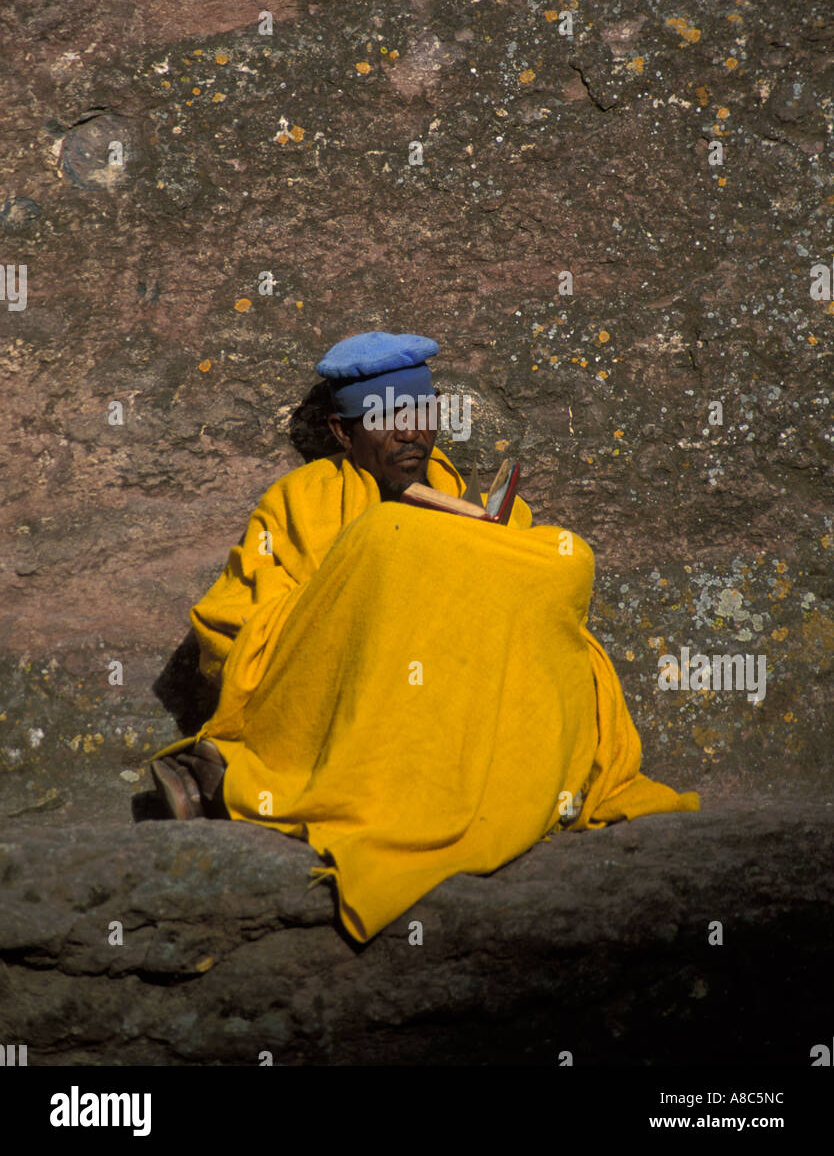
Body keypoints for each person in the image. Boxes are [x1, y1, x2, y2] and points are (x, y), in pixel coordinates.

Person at [150, 331, 699, 942]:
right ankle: (240, 779)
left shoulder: (476, 503)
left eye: (421, 414)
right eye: (386, 419)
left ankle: (488, 791)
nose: (410, 432)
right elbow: (233, 624)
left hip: (460, 701)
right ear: (342, 432)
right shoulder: (298, 502)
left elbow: (525, 620)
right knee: (389, 533)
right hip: (339, 696)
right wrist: (371, 579)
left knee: (566, 556)